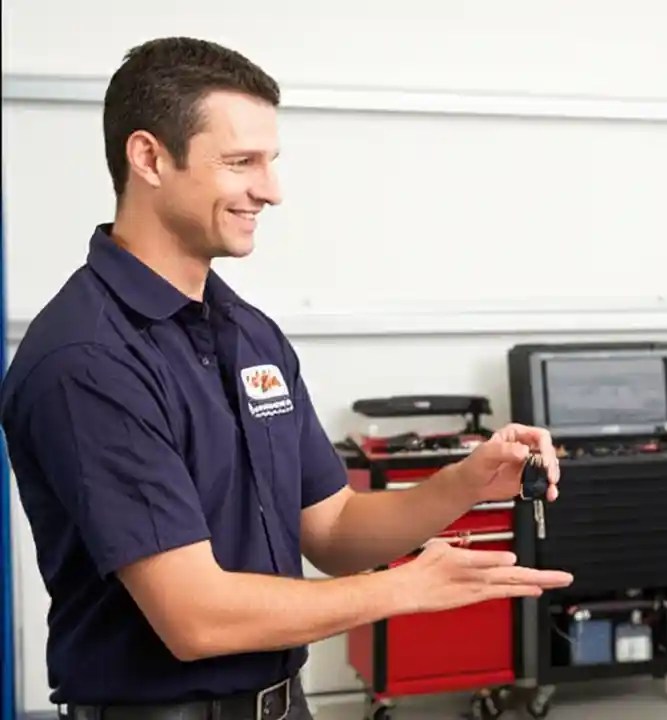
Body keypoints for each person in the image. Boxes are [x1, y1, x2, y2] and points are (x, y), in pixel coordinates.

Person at [0, 36, 573, 720]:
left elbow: (333, 529)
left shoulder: (248, 333)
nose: (270, 190)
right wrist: (404, 589)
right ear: (149, 158)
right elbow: (195, 618)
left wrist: (465, 482)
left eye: (270, 162)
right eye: (241, 162)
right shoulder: (89, 360)